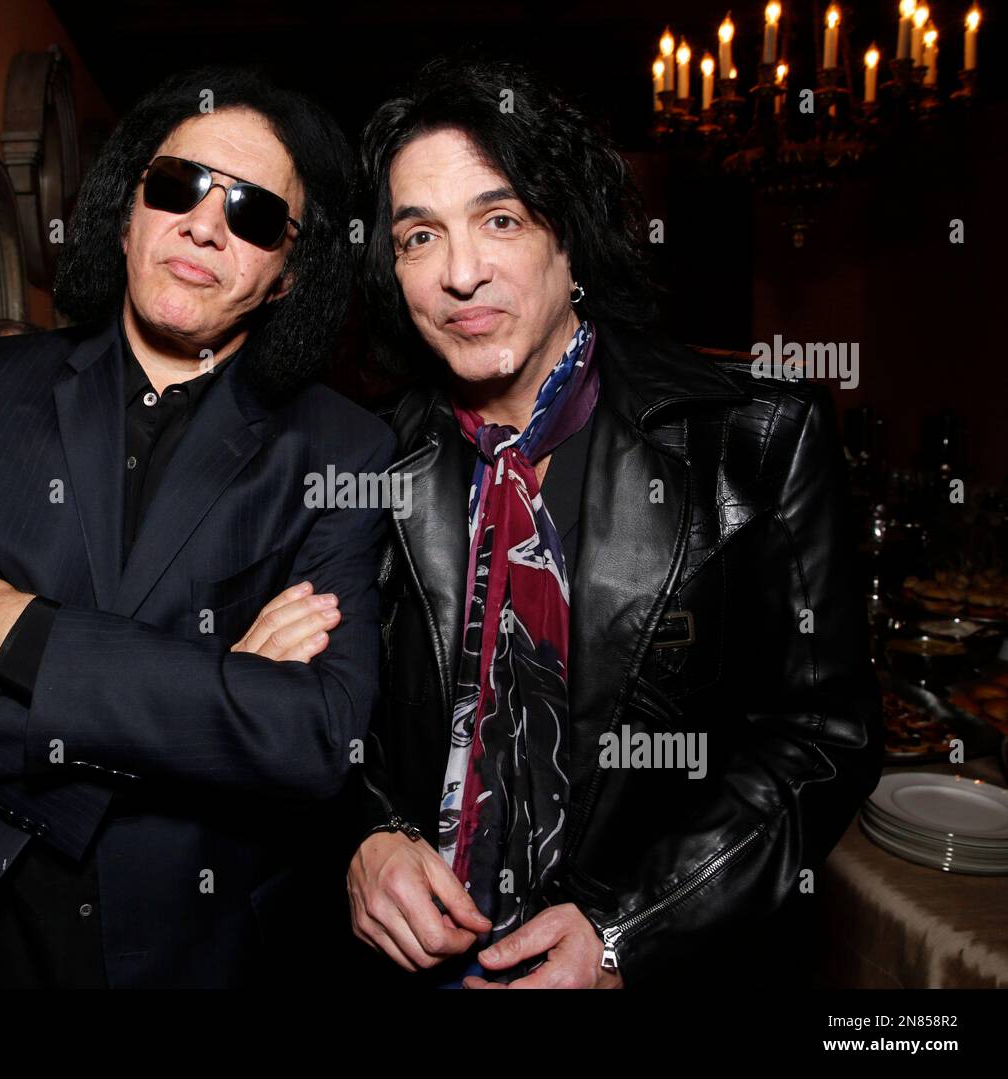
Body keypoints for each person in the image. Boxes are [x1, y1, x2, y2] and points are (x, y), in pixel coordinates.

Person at [0, 65, 393, 988]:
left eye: (254, 214)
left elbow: (319, 737)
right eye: (178, 184)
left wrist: (26, 634)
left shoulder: (345, 450)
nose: (205, 224)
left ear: (287, 274)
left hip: (200, 954)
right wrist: (218, 694)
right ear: (128, 210)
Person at [345, 56, 884, 989]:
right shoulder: (368, 456)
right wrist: (366, 834)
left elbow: (820, 740)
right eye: (419, 237)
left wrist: (627, 929)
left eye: (501, 219)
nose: (460, 274)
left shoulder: (751, 437)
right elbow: (331, 716)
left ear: (573, 239)